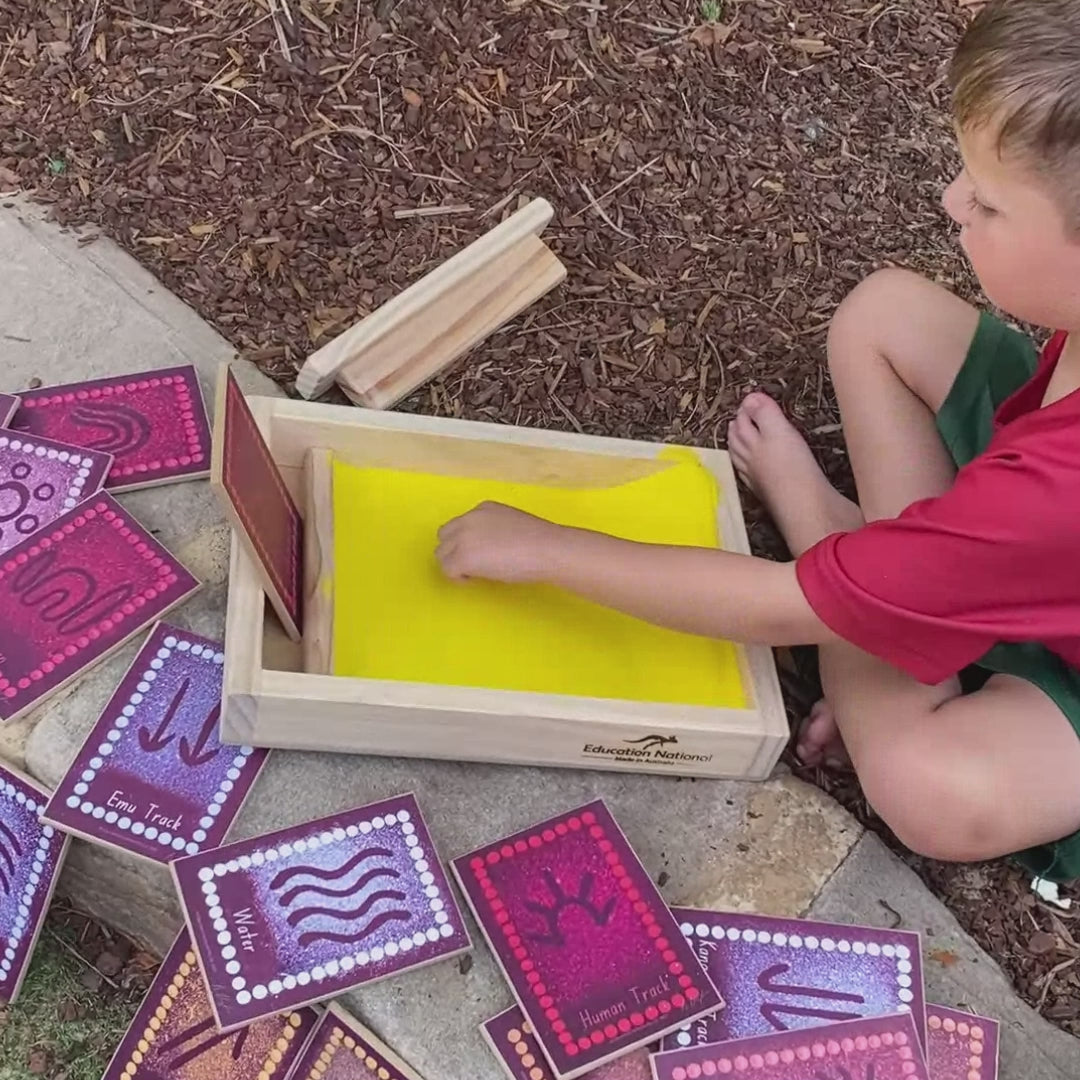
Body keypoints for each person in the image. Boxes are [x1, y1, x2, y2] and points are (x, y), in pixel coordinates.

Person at [434, 0, 1080, 882]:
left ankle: (851, 558)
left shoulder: (1052, 495)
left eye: (990, 204)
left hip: (1053, 611)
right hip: (1035, 546)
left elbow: (781, 609)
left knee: (926, 787)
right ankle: (897, 596)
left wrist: (546, 547)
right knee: (883, 314)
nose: (950, 201)